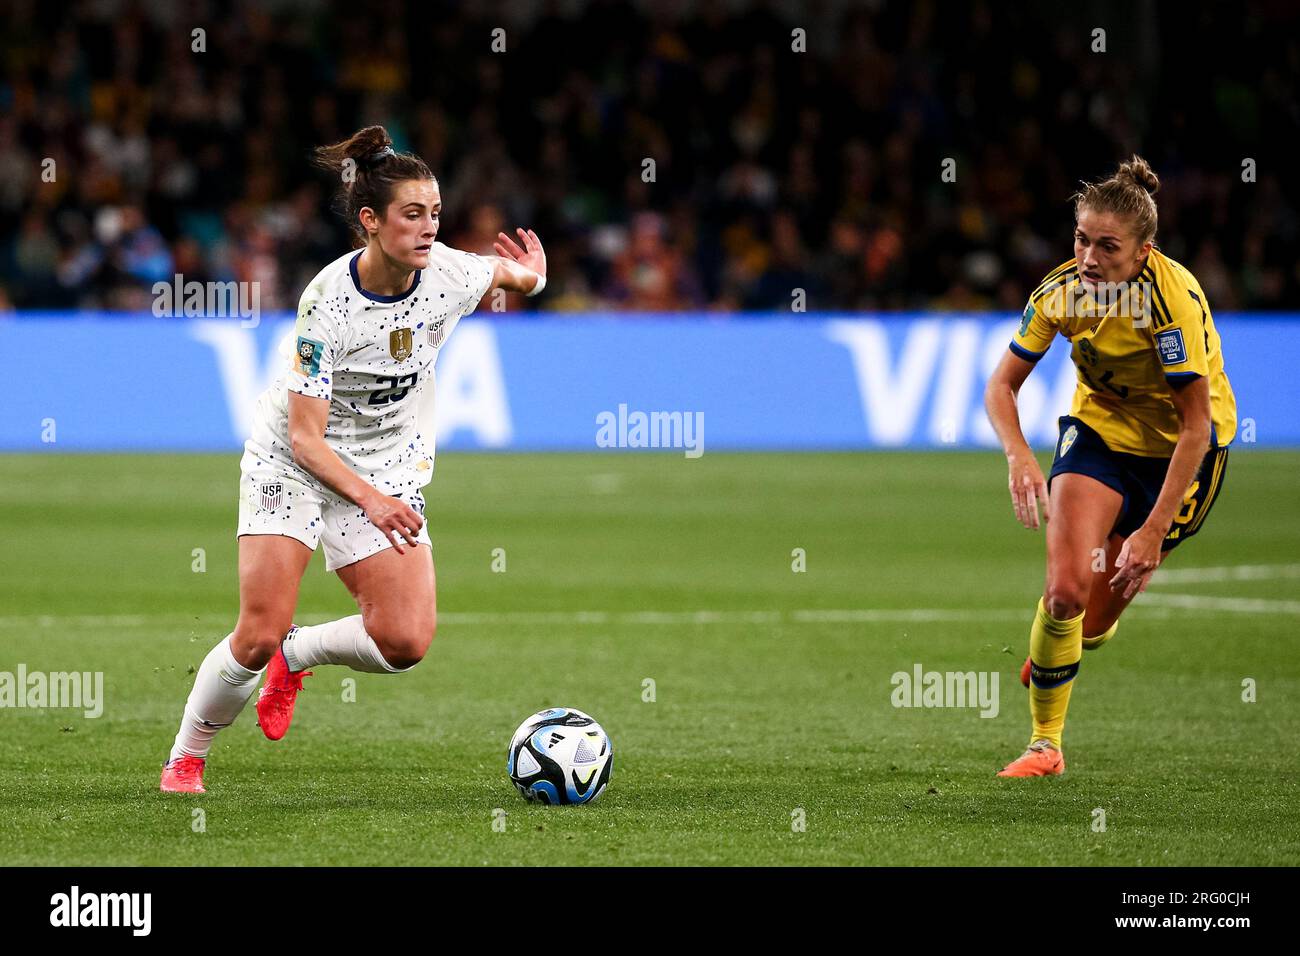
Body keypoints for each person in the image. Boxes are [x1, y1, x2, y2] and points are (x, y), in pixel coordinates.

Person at [160, 125, 547, 793]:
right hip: (293, 462)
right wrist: (369, 499)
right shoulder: (325, 304)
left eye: (435, 213)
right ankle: (186, 758)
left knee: (405, 641)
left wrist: (534, 277)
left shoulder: (451, 271)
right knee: (256, 632)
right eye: (412, 214)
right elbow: (307, 440)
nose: (429, 228)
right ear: (370, 221)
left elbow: (512, 274)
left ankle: (298, 655)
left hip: (386, 467)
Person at [984, 156, 1236, 777]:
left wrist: (1152, 531)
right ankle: (1046, 745)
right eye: (1080, 239)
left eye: (1107, 246)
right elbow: (1001, 386)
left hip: (1183, 456)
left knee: (1090, 625)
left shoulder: (1169, 306)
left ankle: (1061, 649)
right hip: (1098, 434)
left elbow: (1197, 427)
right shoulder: (1061, 292)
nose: (1089, 258)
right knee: (1065, 593)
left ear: (1144, 252)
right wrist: (1019, 454)